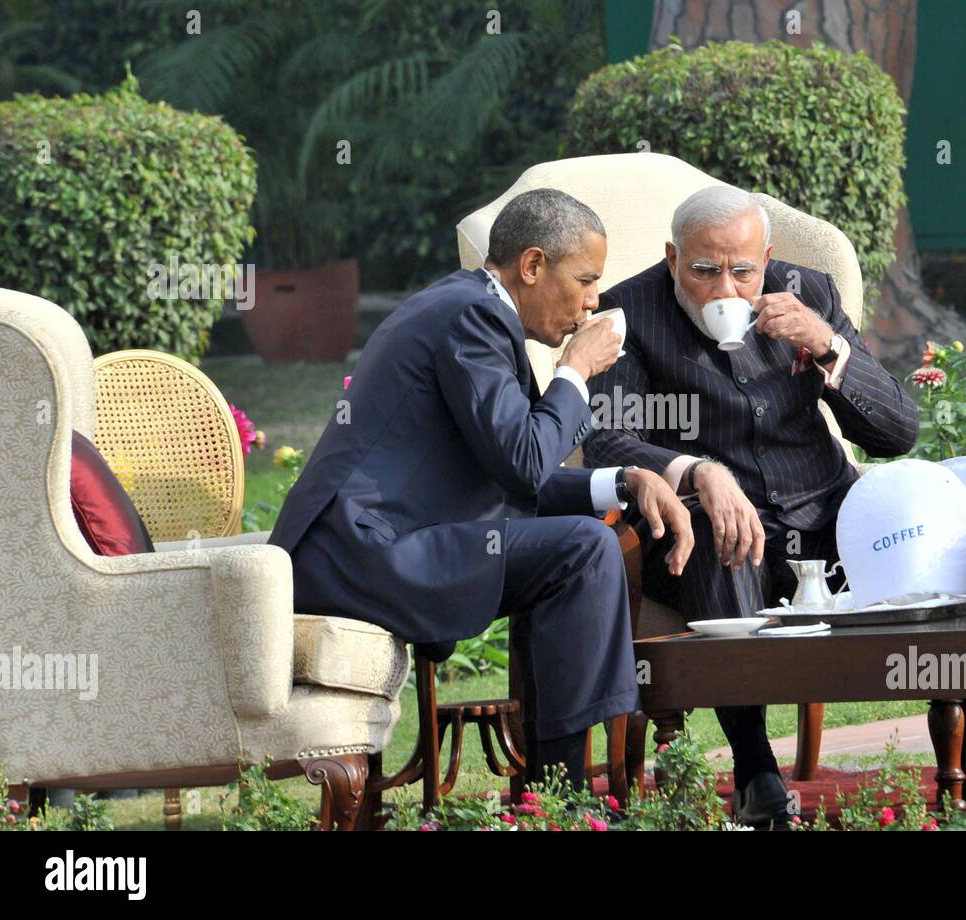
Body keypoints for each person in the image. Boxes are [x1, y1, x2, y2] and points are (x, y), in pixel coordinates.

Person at [270, 188, 694, 791]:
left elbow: (517, 470)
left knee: (571, 552)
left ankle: (552, 789)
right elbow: (524, 463)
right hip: (359, 552)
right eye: (586, 279)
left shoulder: (469, 309)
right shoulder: (471, 316)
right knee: (582, 551)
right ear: (532, 266)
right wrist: (573, 370)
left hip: (379, 543)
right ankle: (562, 795)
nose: (594, 300)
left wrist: (623, 482)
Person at [582, 185, 923, 824]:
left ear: (767, 257)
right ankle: (755, 771)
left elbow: (897, 434)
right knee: (722, 533)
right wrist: (694, 470)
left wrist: (827, 346)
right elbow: (603, 440)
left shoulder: (810, 293)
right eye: (704, 270)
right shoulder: (627, 312)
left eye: (743, 270)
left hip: (825, 518)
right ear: (672, 257)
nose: (726, 291)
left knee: (915, 522)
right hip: (700, 535)